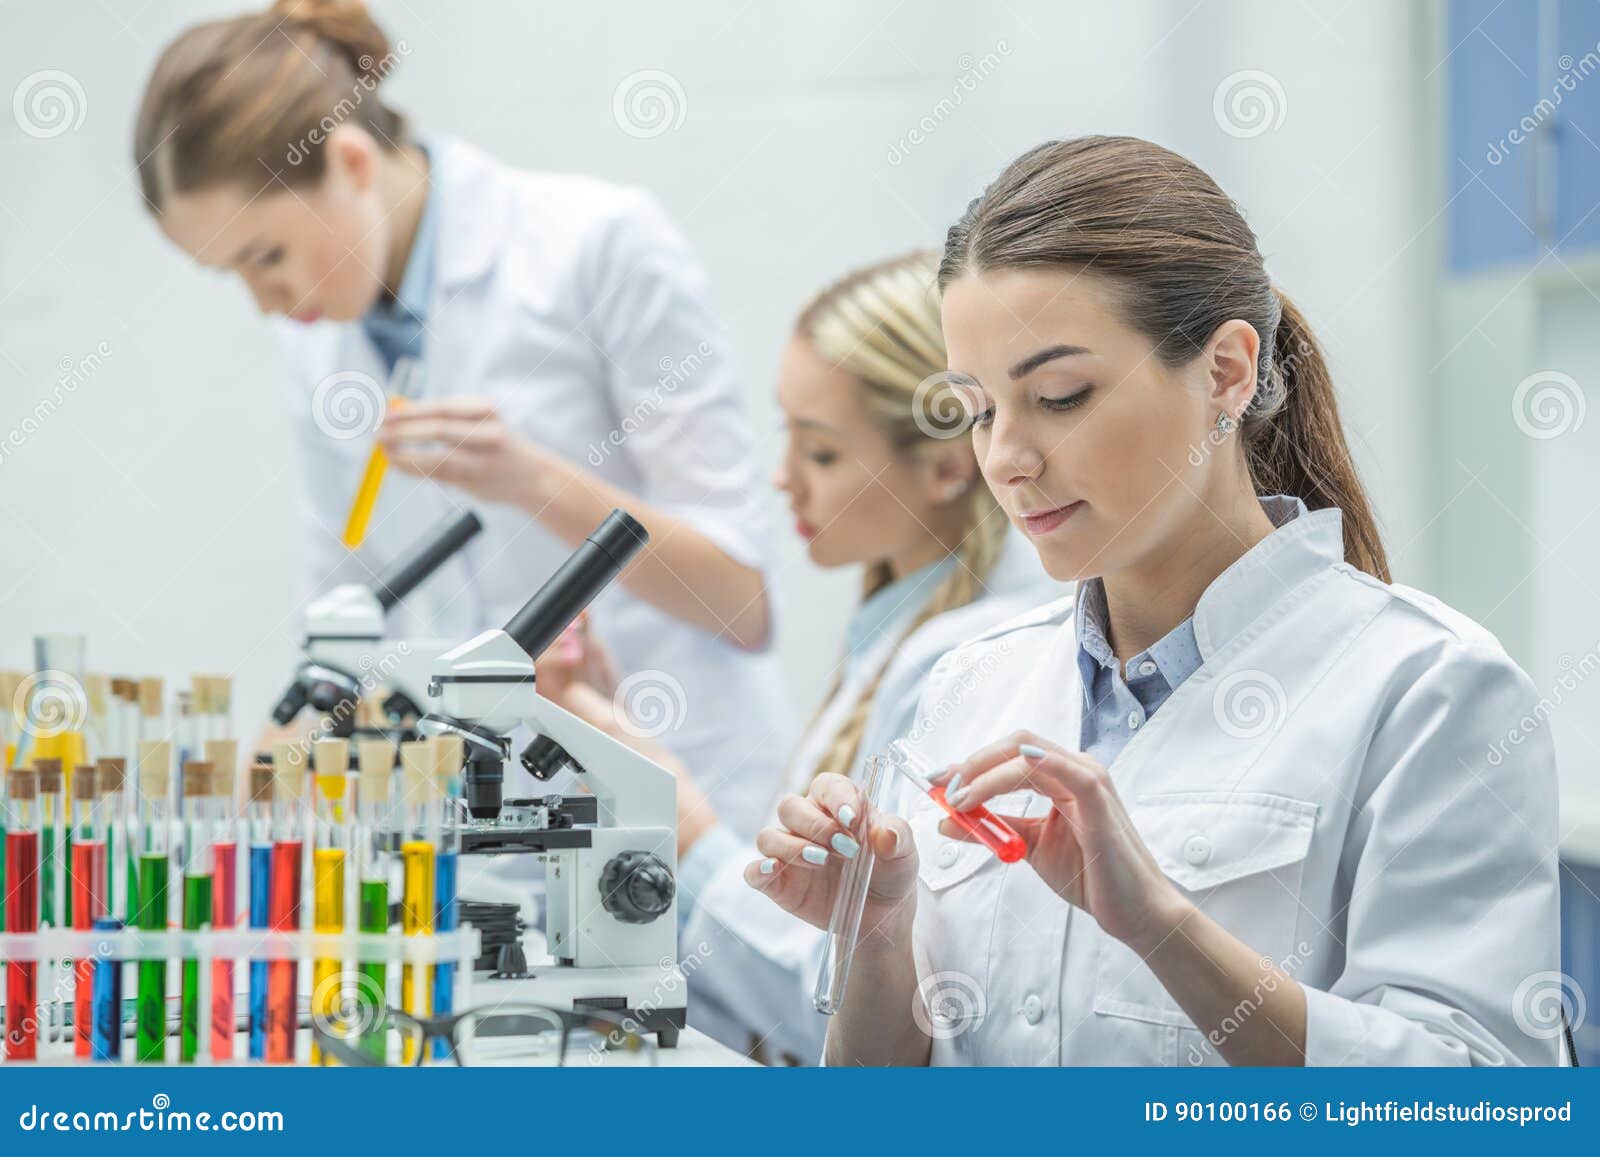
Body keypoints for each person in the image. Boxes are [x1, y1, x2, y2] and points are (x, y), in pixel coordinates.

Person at [745, 137, 1562, 1066]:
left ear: (1225, 371)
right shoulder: (972, 682)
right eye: (977, 409)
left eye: (1059, 396)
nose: (1007, 458)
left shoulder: (1428, 693)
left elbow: (1485, 1104)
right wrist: (878, 932)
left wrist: (1162, 924)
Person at [132, 0, 788, 831]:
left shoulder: (601, 247)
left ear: (353, 162)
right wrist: (266, 785)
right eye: (232, 272)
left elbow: (742, 599)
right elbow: (344, 620)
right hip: (494, 822)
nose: (267, 301)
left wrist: (535, 480)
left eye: (267, 255)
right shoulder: (320, 345)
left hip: (691, 795)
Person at [540, 252, 1060, 1063]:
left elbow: (847, 1000)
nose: (782, 480)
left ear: (948, 464)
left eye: (819, 453)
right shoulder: (895, 635)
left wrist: (674, 819)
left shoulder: (964, 663)